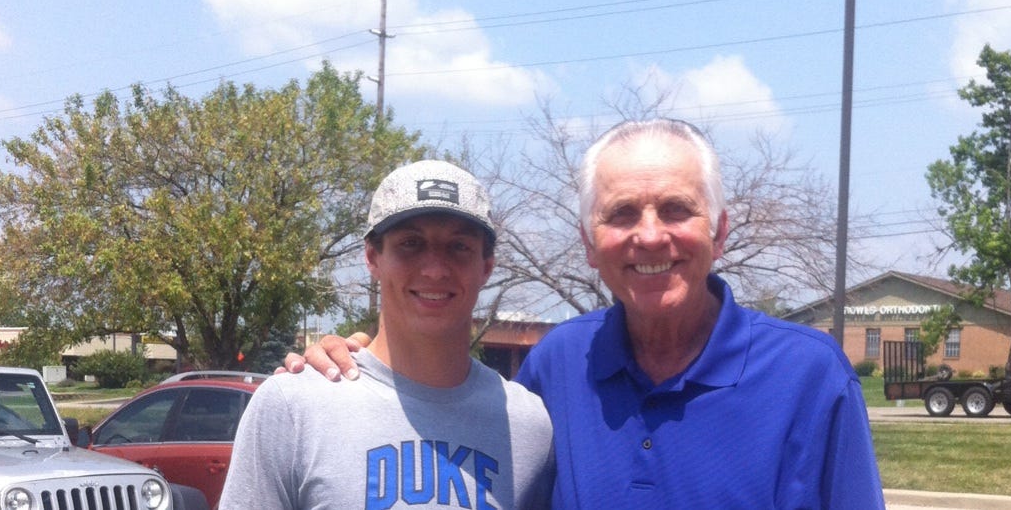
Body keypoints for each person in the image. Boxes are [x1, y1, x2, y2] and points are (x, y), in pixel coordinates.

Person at [286, 120, 886, 509]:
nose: (650, 238)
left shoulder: (810, 376)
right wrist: (350, 366)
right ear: (589, 242)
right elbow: (457, 427)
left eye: (676, 209)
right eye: (622, 213)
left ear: (720, 230)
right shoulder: (558, 366)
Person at [221, 160, 555, 510]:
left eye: (459, 246)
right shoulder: (293, 406)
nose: (434, 269)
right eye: (411, 243)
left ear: (486, 266)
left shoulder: (529, 424)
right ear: (372, 257)